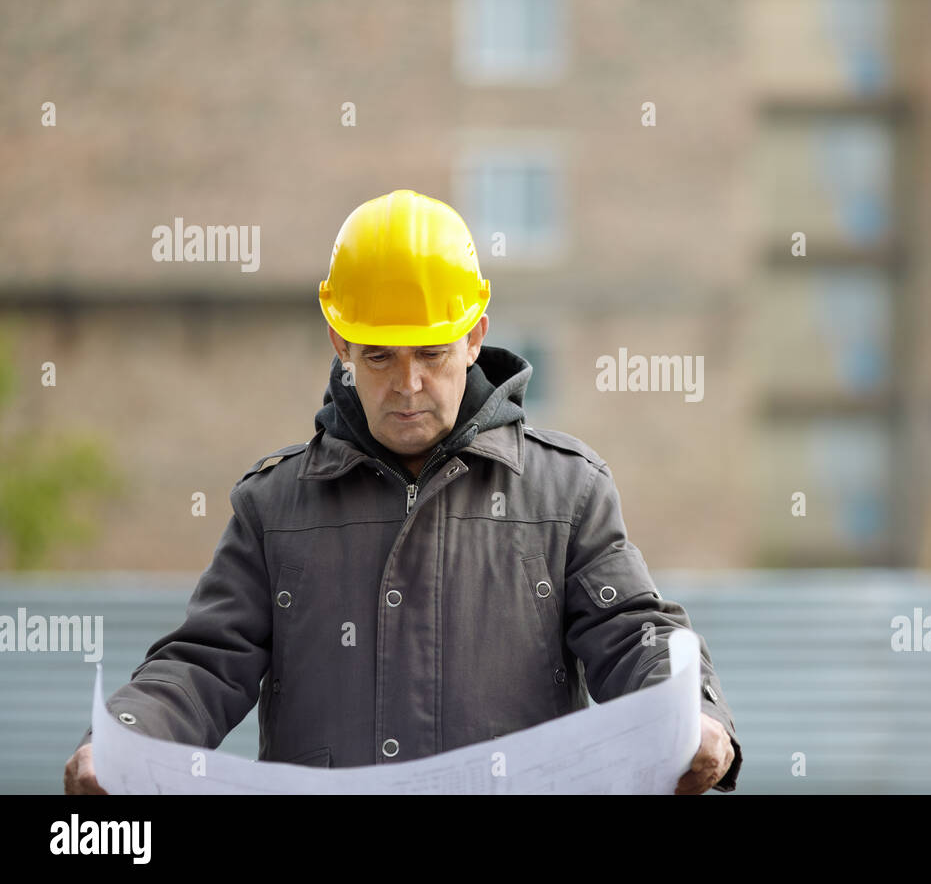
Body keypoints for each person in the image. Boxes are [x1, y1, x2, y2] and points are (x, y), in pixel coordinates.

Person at [63, 189, 741, 795]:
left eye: (431, 353)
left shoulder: (567, 491)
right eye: (380, 355)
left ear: (475, 335)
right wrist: (125, 737)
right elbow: (203, 664)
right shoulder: (274, 509)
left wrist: (697, 717)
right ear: (340, 342)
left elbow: (635, 633)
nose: (408, 383)